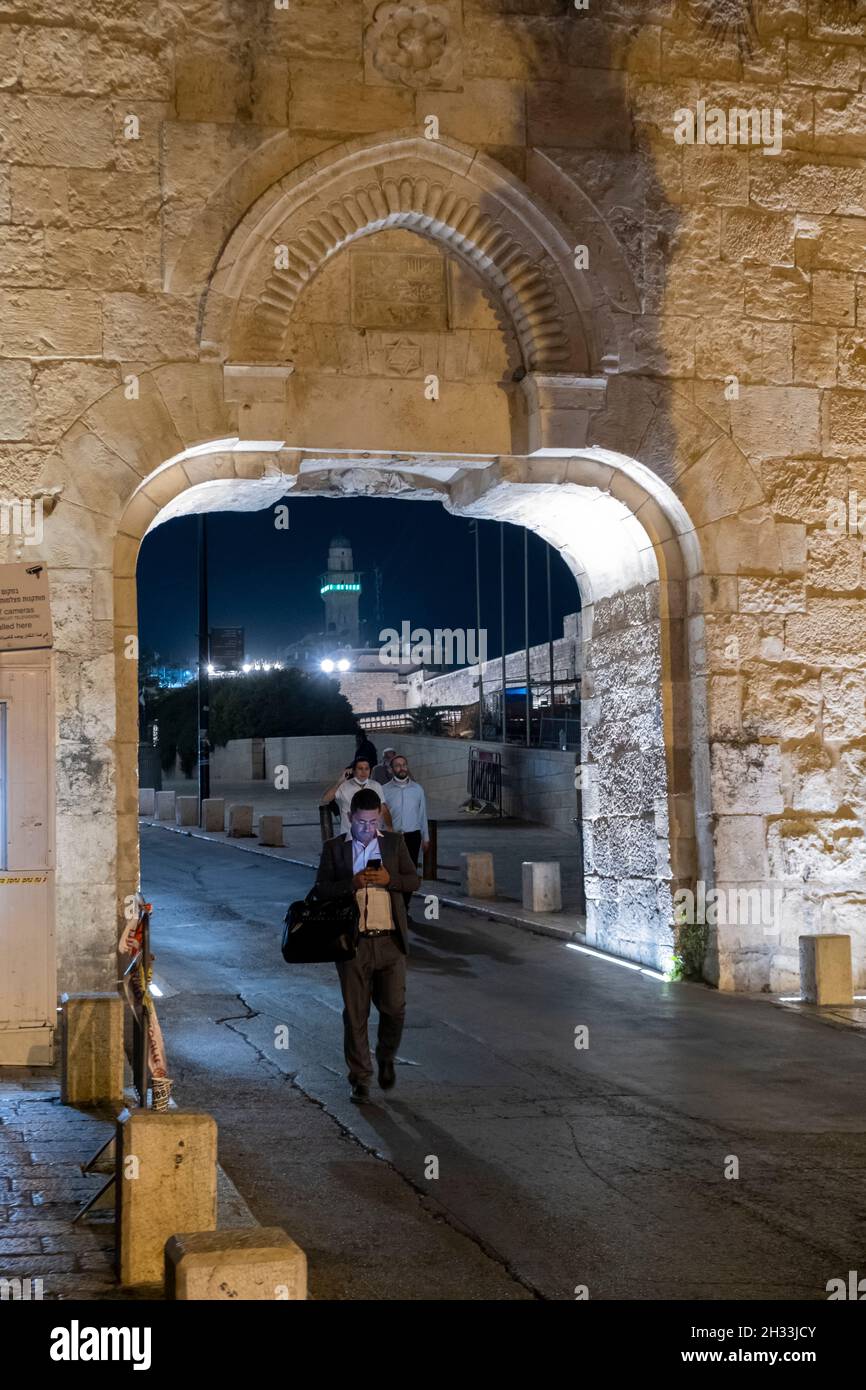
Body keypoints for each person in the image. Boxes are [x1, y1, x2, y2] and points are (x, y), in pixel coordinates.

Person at [315, 788, 420, 1103]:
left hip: (389, 942)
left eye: (373, 822)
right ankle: (361, 1078)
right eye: (362, 822)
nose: (367, 828)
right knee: (355, 1014)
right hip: (353, 945)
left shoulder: (394, 843)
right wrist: (351, 884)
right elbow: (320, 890)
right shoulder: (334, 849)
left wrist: (390, 880)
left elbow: (414, 881)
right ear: (350, 818)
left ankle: (386, 1056)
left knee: (394, 1009)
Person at [381, 754, 429, 916]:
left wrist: (426, 837)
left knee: (409, 873)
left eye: (403, 765)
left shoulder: (417, 789)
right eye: (397, 766)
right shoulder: (384, 790)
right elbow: (380, 815)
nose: (401, 768)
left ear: (407, 767)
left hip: (412, 836)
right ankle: (392, 908)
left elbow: (422, 815)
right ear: (391, 769)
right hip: (392, 838)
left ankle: (404, 909)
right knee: (392, 873)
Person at [321, 757, 383, 836]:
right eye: (360, 768)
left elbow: (382, 808)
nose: (363, 772)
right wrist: (340, 781)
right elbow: (325, 799)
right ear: (353, 771)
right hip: (349, 834)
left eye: (366, 769)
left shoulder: (376, 786)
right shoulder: (343, 786)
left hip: (370, 834)